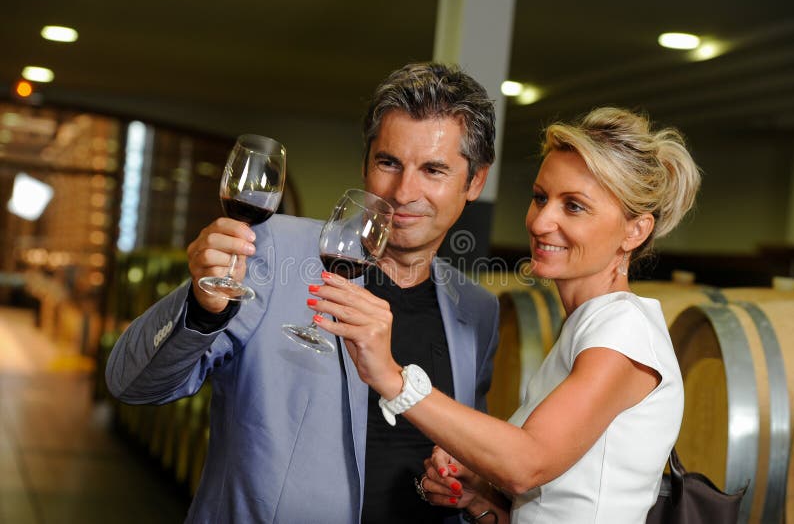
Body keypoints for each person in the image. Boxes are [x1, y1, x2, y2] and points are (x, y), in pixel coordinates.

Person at [105, 62, 500, 524]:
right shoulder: (271, 248)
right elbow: (132, 384)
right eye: (388, 162)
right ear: (365, 163)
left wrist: (468, 480)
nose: (403, 191)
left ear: (474, 182)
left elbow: (470, 448)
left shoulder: (477, 309)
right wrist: (200, 307)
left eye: (433, 170)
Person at [312, 106, 702, 523]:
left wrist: (391, 378)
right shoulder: (589, 326)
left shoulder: (623, 329)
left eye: (574, 207)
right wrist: (481, 495)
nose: (540, 221)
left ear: (635, 231)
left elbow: (527, 463)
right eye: (540, 198)